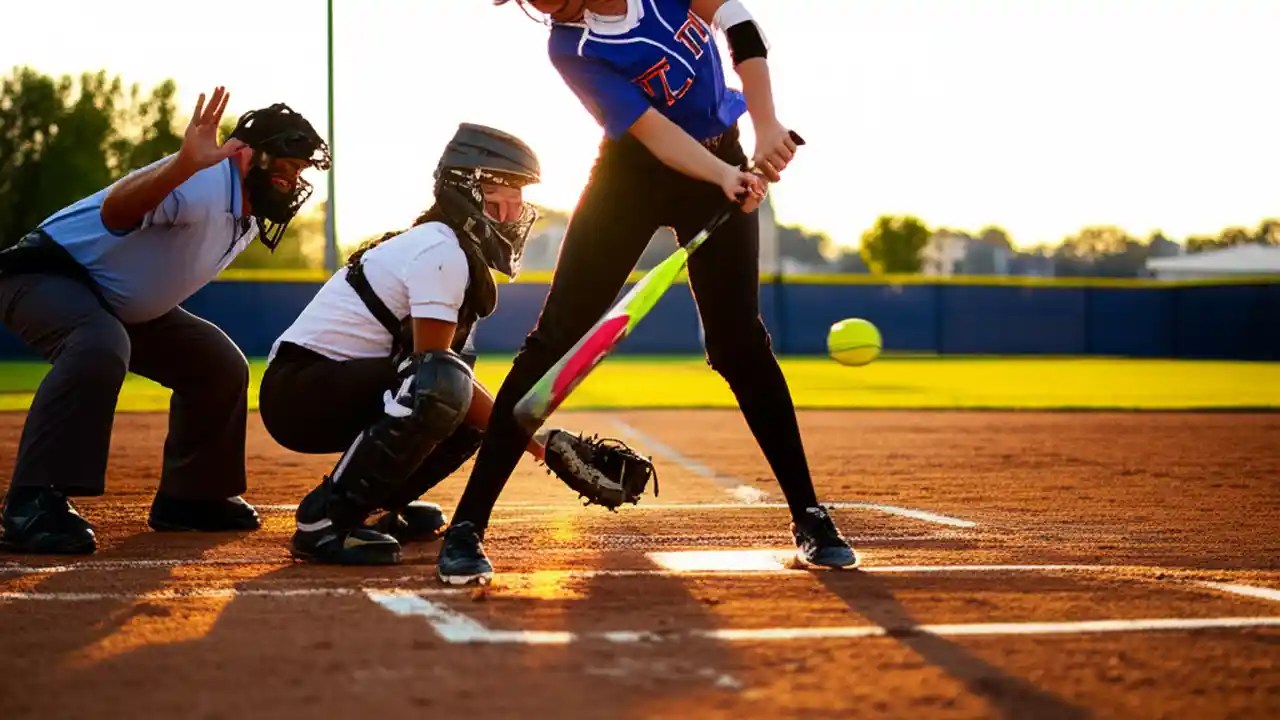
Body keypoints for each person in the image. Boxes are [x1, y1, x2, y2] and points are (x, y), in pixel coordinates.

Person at [434, 0, 859, 583]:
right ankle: (468, 527)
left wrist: (765, 125)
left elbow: (736, 21)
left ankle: (810, 516)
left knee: (739, 345)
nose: (534, 3)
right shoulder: (571, 46)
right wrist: (725, 178)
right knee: (552, 343)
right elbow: (657, 138)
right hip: (632, 177)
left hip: (723, 151)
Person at [260, 123, 651, 571]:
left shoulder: (451, 251)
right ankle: (325, 519)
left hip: (331, 385)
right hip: (298, 392)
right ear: (470, 188)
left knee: (461, 399)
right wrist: (537, 444)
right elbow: (434, 376)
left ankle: (376, 506)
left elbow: (448, 385)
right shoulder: (440, 250)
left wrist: (531, 437)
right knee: (445, 386)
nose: (518, 208)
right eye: (509, 191)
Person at [0, 87, 330, 554]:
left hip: (110, 297)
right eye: (286, 162)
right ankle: (29, 502)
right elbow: (115, 211)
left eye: (298, 170)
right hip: (44, 273)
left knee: (218, 364)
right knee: (99, 343)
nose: (293, 178)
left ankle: (191, 497)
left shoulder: (247, 213)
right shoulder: (203, 182)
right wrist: (181, 165)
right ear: (245, 156)